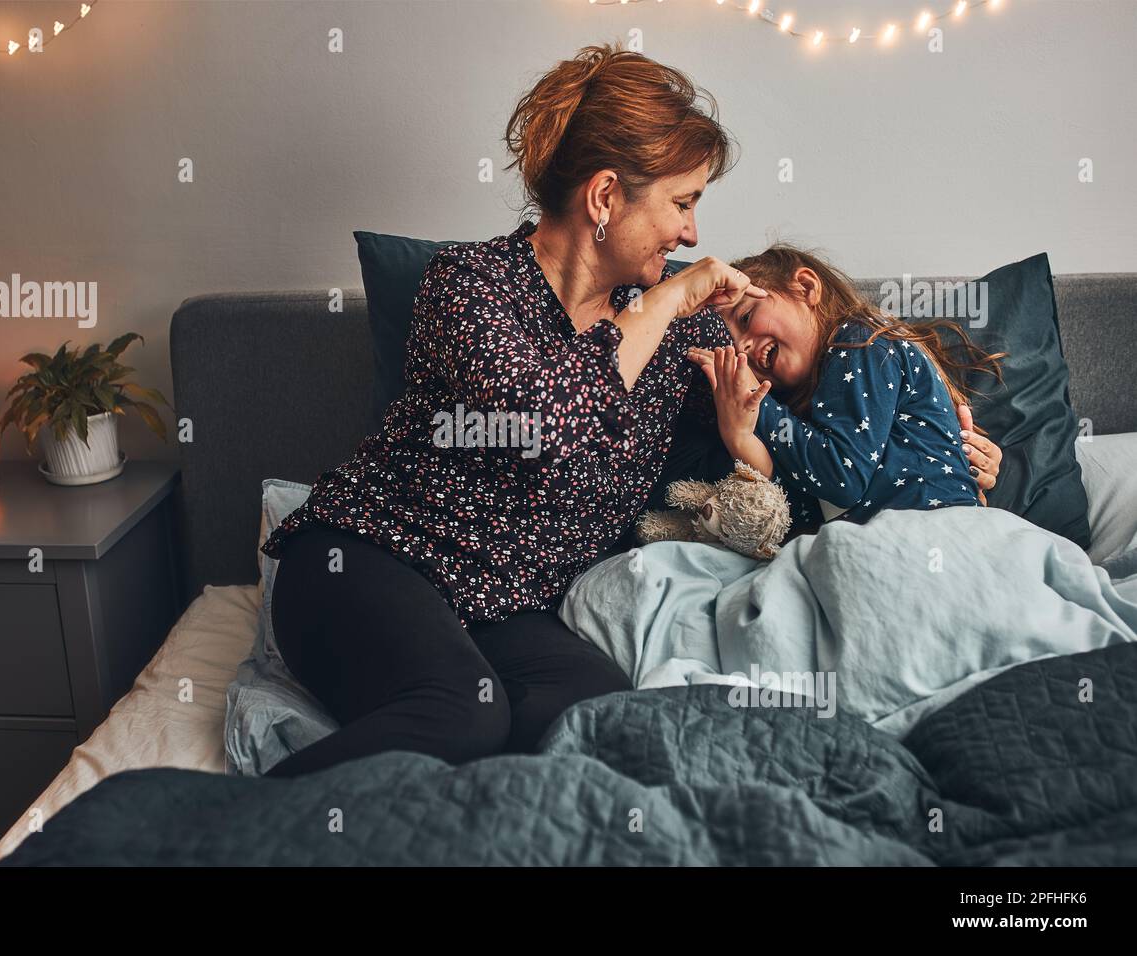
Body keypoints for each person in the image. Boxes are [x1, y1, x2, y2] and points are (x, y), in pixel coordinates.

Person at [260, 44, 1002, 779]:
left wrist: (935, 440)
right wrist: (672, 296)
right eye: (682, 204)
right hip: (368, 558)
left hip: (507, 607)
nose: (692, 235)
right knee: (461, 713)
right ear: (606, 196)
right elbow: (544, 425)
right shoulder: (469, 285)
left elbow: (789, 446)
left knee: (601, 724)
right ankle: (220, 830)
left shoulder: (689, 335)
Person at [690, 245, 1006, 528]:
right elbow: (796, 518)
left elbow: (843, 479)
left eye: (746, 317)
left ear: (805, 287)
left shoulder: (859, 340)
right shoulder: (802, 424)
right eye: (730, 344)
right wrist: (739, 435)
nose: (742, 347)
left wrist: (759, 406)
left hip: (932, 532)